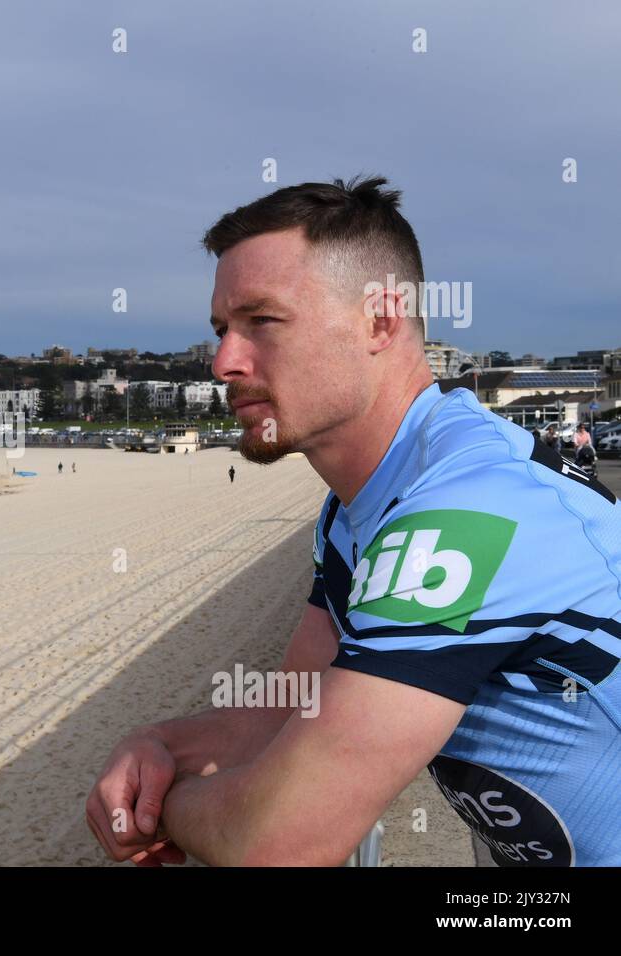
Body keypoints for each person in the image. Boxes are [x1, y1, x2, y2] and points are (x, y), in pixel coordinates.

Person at [87, 176, 621, 868]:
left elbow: (279, 842)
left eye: (263, 322)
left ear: (380, 321)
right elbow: (293, 708)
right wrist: (159, 746)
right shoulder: (356, 508)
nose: (225, 362)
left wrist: (161, 808)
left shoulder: (464, 510)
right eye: (221, 329)